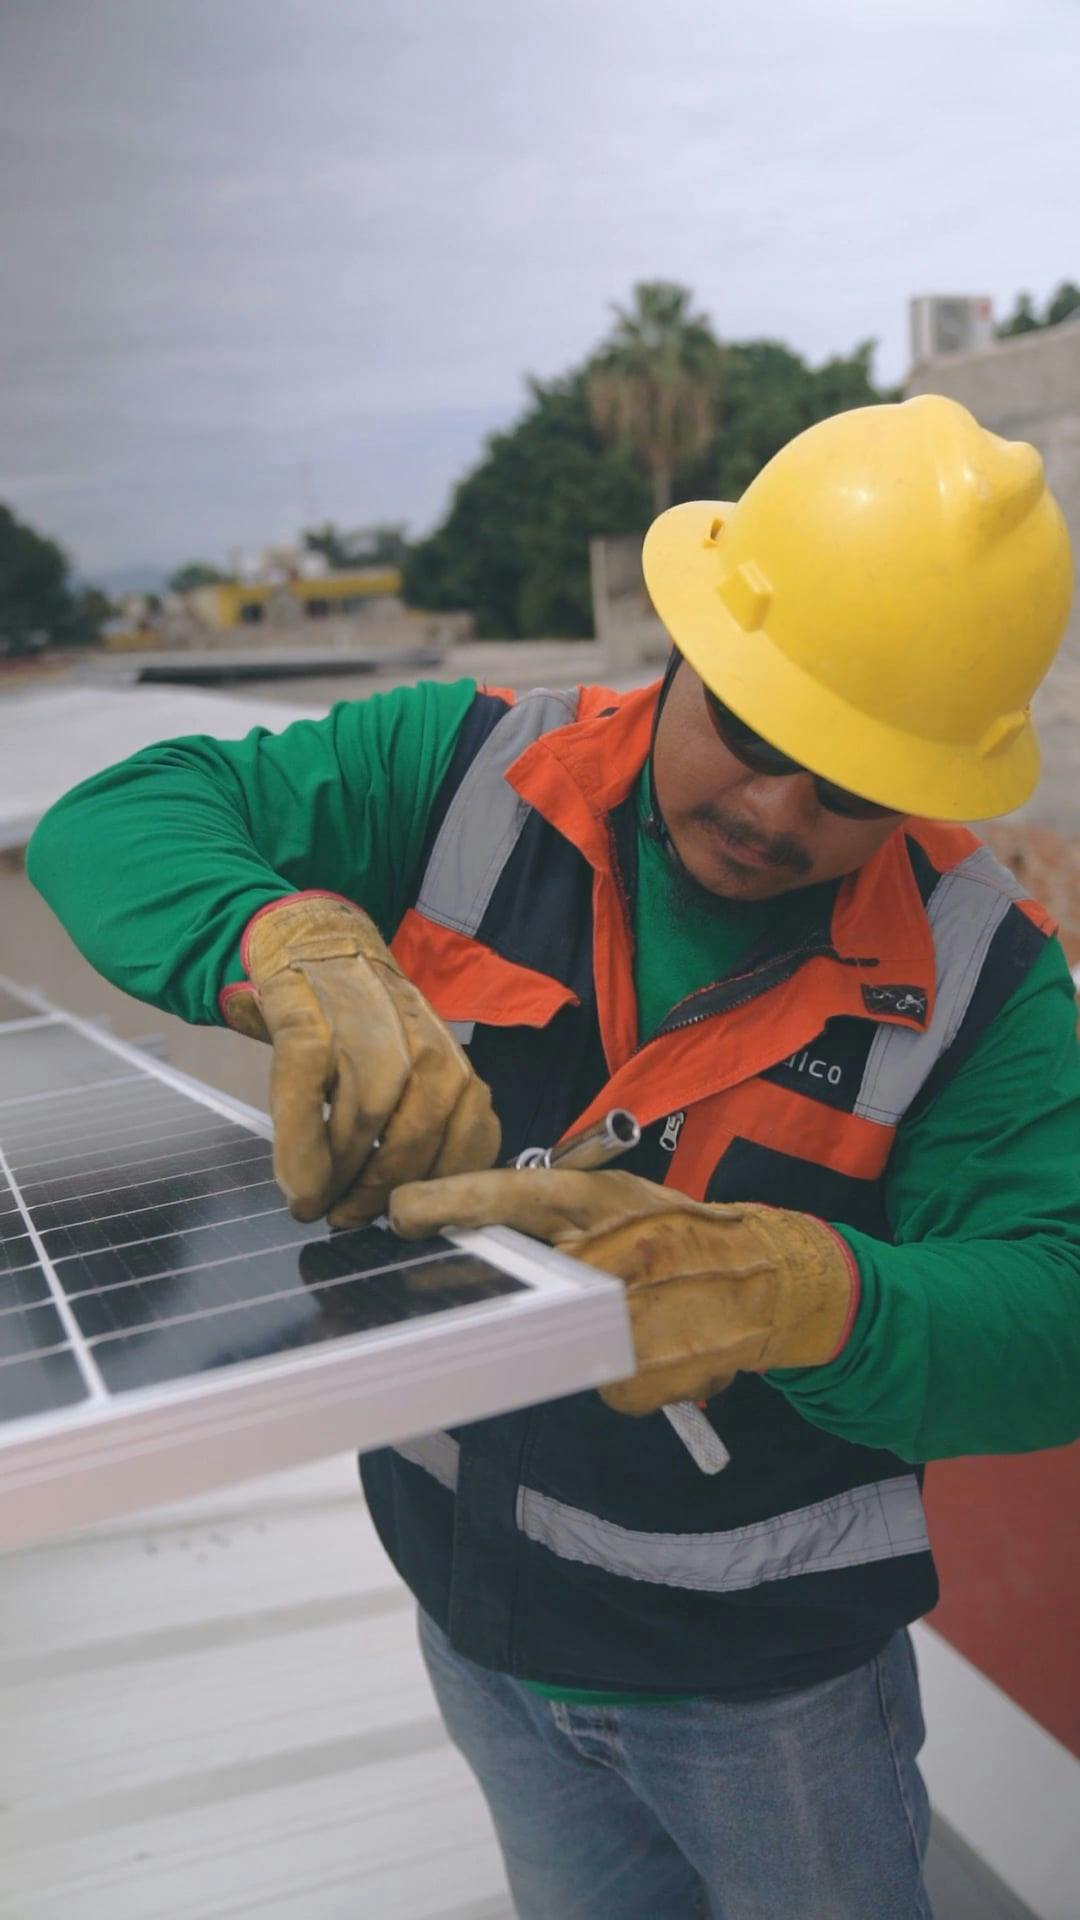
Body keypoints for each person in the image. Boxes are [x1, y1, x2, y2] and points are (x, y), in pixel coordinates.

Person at [29, 395, 1080, 1920]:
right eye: (754, 733)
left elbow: (1058, 1312)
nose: (775, 812)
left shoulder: (984, 979)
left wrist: (806, 1292)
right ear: (690, 649)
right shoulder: (463, 770)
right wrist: (284, 935)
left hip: (768, 1696)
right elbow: (117, 818)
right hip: (475, 1621)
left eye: (851, 783)